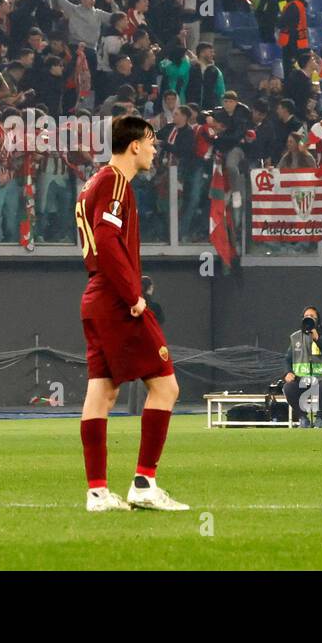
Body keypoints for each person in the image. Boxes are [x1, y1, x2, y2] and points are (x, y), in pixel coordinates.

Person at [77, 116, 189, 512]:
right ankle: (144, 482)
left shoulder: (92, 182)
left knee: (101, 393)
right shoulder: (114, 182)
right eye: (152, 142)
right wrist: (133, 295)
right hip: (114, 297)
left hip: (94, 295)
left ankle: (97, 492)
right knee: (166, 387)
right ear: (135, 145)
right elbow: (107, 240)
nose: (155, 150)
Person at [281, 307, 322, 427]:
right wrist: (287, 373)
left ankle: (320, 419)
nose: (309, 319)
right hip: (302, 378)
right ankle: (303, 418)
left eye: (312, 317)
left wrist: (317, 339)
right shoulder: (296, 337)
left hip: (321, 377)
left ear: (318, 320)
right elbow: (287, 359)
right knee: (288, 388)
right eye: (307, 316)